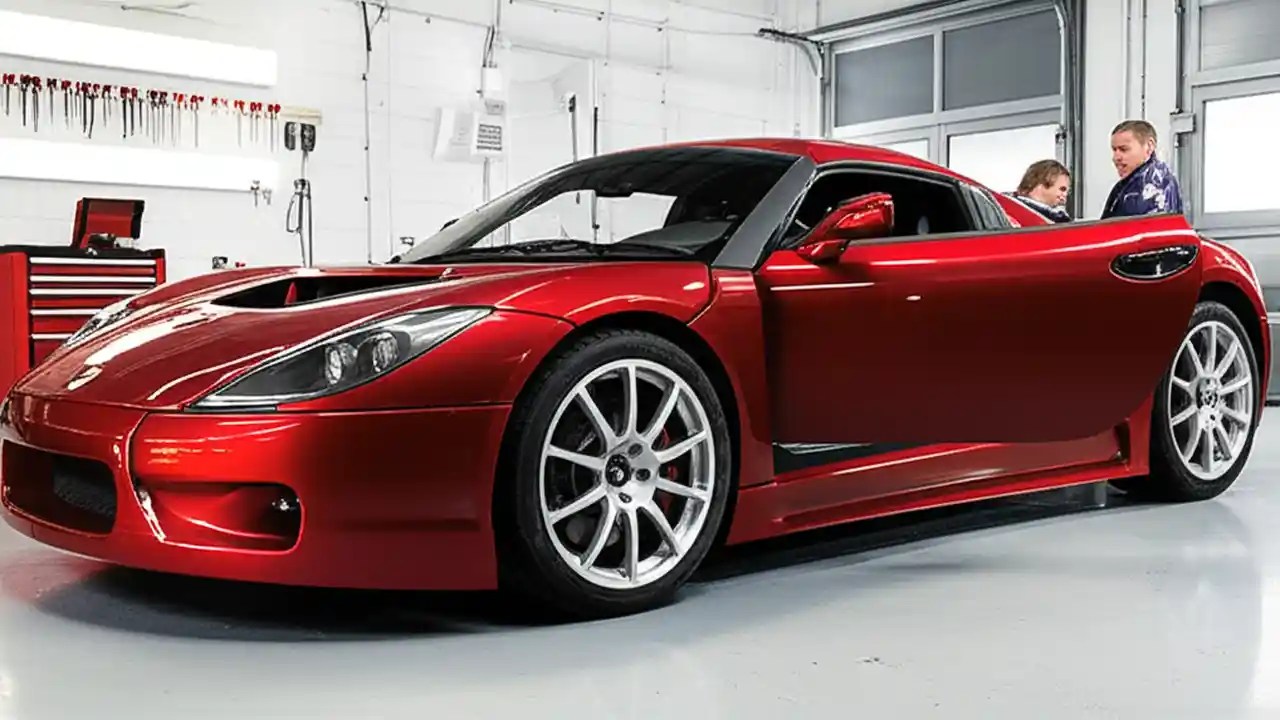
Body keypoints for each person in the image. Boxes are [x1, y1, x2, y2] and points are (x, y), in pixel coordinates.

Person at [1101, 119, 1184, 219]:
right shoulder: (1130, 184)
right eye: (1114, 150)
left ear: (1149, 146)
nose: (1116, 158)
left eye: (1124, 149)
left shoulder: (1150, 185)